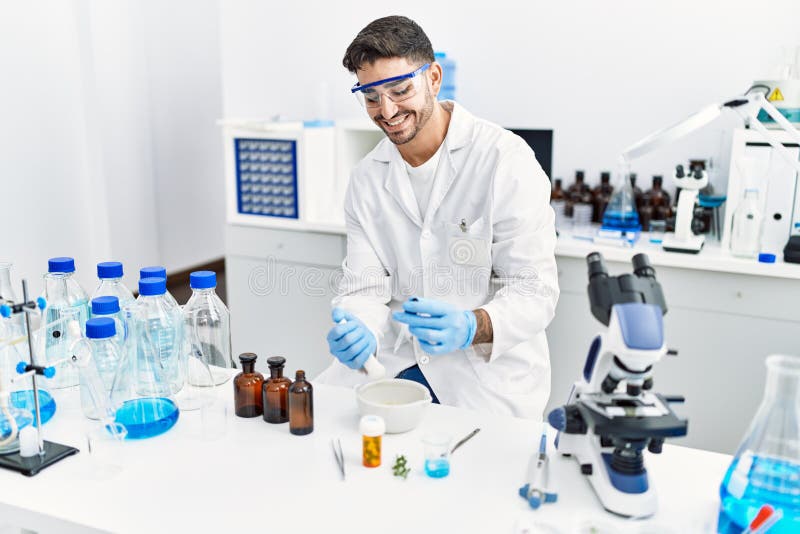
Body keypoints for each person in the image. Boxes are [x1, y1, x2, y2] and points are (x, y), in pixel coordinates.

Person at [315, 15, 559, 419]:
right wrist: (361, 330)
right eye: (371, 96)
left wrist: (472, 325)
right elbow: (364, 288)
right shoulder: (366, 179)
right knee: (321, 420)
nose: (387, 110)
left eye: (400, 90)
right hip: (398, 358)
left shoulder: (504, 160)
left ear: (433, 78)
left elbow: (535, 292)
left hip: (484, 377)